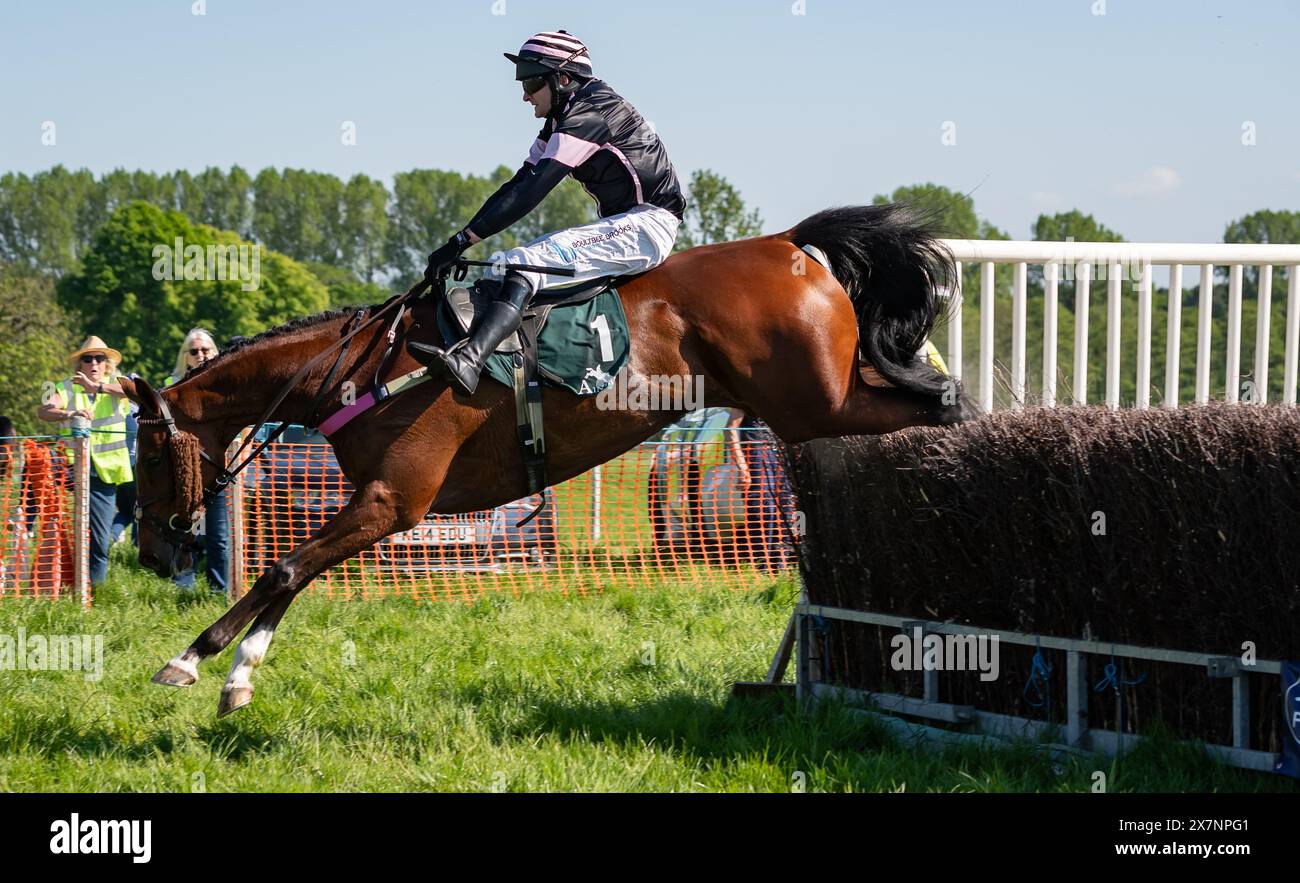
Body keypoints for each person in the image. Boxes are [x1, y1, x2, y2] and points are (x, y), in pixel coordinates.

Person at [408, 30, 687, 396]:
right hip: (625, 223)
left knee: (524, 265)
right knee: (501, 266)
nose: (525, 95)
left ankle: (471, 362)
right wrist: (460, 240)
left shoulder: (592, 114)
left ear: (564, 79)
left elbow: (533, 190)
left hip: (647, 225)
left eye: (532, 81)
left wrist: (461, 241)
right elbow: (517, 185)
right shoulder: (561, 120)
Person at [35, 336, 134, 589]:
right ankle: (64, 583)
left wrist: (97, 388)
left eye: (99, 358)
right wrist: (69, 413)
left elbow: (136, 393)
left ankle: (94, 592)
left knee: (99, 541)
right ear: (80, 364)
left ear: (107, 364)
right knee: (71, 531)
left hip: (105, 474)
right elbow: (44, 411)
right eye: (87, 358)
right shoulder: (67, 387)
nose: (94, 362)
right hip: (72, 472)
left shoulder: (116, 385)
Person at [164, 328, 229, 595]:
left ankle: (218, 592)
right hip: (183, 473)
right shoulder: (172, 385)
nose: (200, 355)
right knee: (184, 533)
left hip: (219, 471)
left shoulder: (226, 383)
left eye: (205, 350)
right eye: (194, 351)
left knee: (218, 538)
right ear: (185, 356)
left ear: (215, 352)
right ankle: (183, 588)